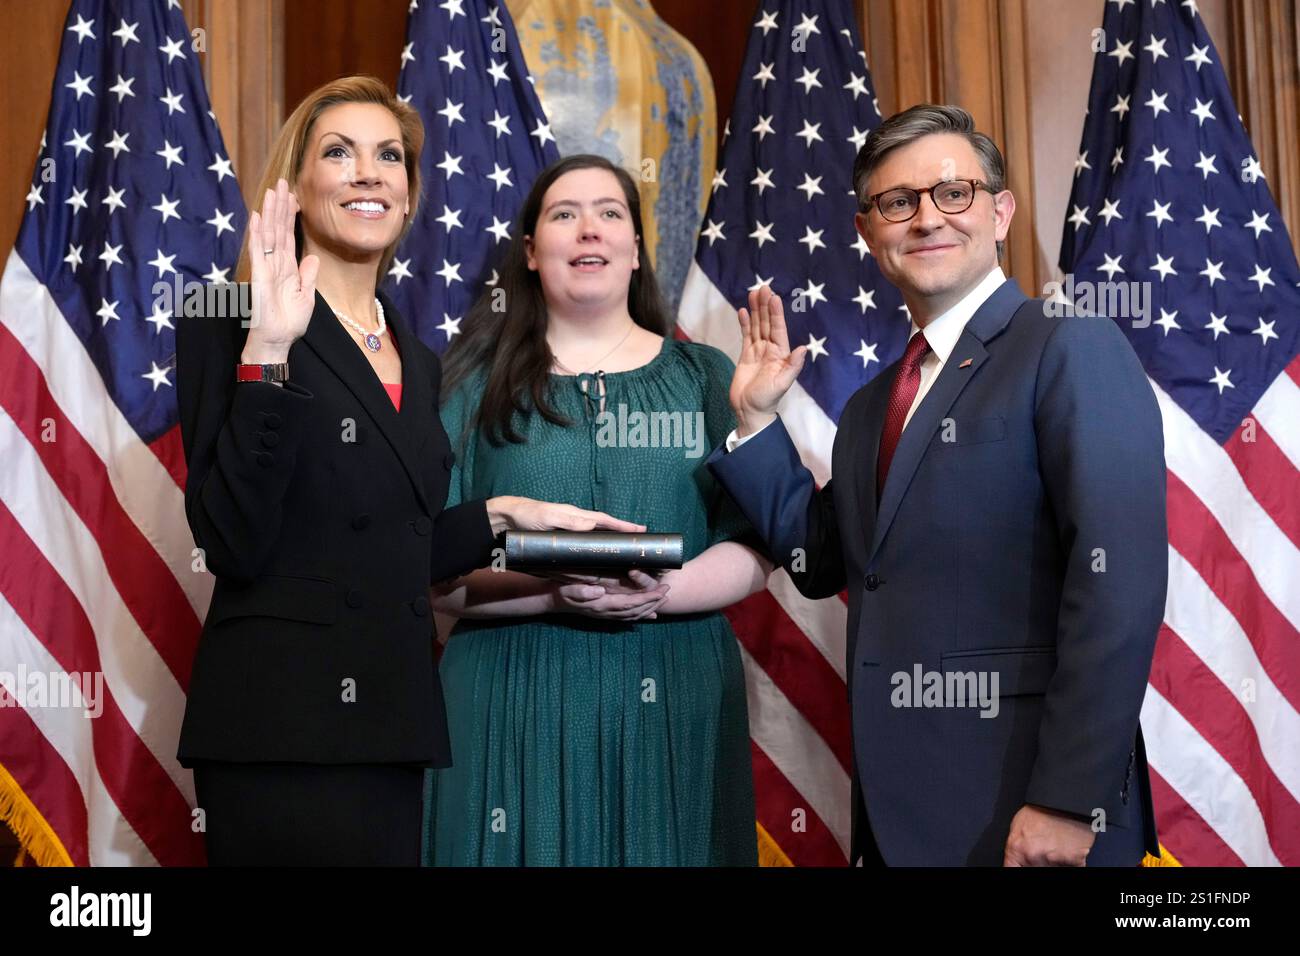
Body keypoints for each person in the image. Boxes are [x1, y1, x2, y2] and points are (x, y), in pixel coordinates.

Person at [175, 77, 639, 865]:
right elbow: (233, 541)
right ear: (298, 182)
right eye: (339, 153)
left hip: (391, 721)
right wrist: (271, 351)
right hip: (279, 727)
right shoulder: (228, 319)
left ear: (410, 192)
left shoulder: (419, 362)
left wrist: (502, 515)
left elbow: (395, 553)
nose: (368, 172)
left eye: (388, 156)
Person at [708, 104, 1167, 866]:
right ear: (868, 232)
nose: (927, 218)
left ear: (1000, 213)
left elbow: (1118, 587)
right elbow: (819, 562)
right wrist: (756, 421)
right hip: (898, 820)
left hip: (1031, 810)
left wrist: (1066, 798)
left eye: (953, 193)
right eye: (899, 202)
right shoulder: (869, 407)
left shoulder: (1070, 346)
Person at [425, 154, 771, 866]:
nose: (590, 229)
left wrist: (661, 594)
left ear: (636, 249)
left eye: (611, 213)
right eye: (564, 214)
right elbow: (433, 574)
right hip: (507, 698)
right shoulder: (467, 386)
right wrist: (557, 593)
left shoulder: (709, 377)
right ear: (529, 252)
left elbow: (759, 548)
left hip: (676, 697)